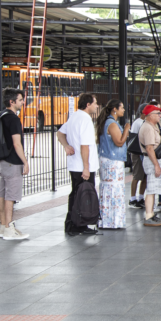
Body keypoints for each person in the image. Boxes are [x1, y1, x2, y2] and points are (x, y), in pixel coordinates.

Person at [57, 93, 100, 236]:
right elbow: (85, 146)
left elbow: (59, 133)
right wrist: (86, 168)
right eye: (95, 103)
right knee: (84, 195)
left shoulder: (74, 116)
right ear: (88, 105)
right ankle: (79, 224)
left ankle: (72, 223)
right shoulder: (86, 119)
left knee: (75, 194)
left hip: (74, 165)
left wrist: (66, 146)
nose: (97, 106)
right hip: (83, 166)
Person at [0, 88, 30, 240]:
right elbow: (17, 144)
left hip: (1, 161)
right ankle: (10, 228)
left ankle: (3, 226)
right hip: (12, 162)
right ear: (12, 102)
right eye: (20, 100)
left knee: (2, 194)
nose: (23, 102)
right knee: (11, 196)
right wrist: (25, 161)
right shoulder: (14, 119)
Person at [95, 99, 130, 229]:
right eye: (122, 107)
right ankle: (113, 221)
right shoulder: (112, 124)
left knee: (109, 189)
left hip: (107, 159)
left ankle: (107, 220)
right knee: (114, 189)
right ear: (114, 109)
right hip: (112, 161)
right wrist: (126, 129)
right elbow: (119, 142)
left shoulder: (106, 122)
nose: (124, 110)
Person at [138, 104, 161, 227]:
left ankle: (151, 214)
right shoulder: (148, 128)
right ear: (150, 115)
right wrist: (156, 165)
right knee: (151, 189)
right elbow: (150, 148)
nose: (160, 116)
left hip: (154, 159)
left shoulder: (152, 126)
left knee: (153, 189)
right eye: (158, 113)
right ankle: (149, 215)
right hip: (152, 160)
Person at [128, 103, 147, 209]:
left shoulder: (142, 122)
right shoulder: (138, 122)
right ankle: (132, 199)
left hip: (142, 153)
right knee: (137, 175)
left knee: (144, 176)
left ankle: (140, 197)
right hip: (137, 152)